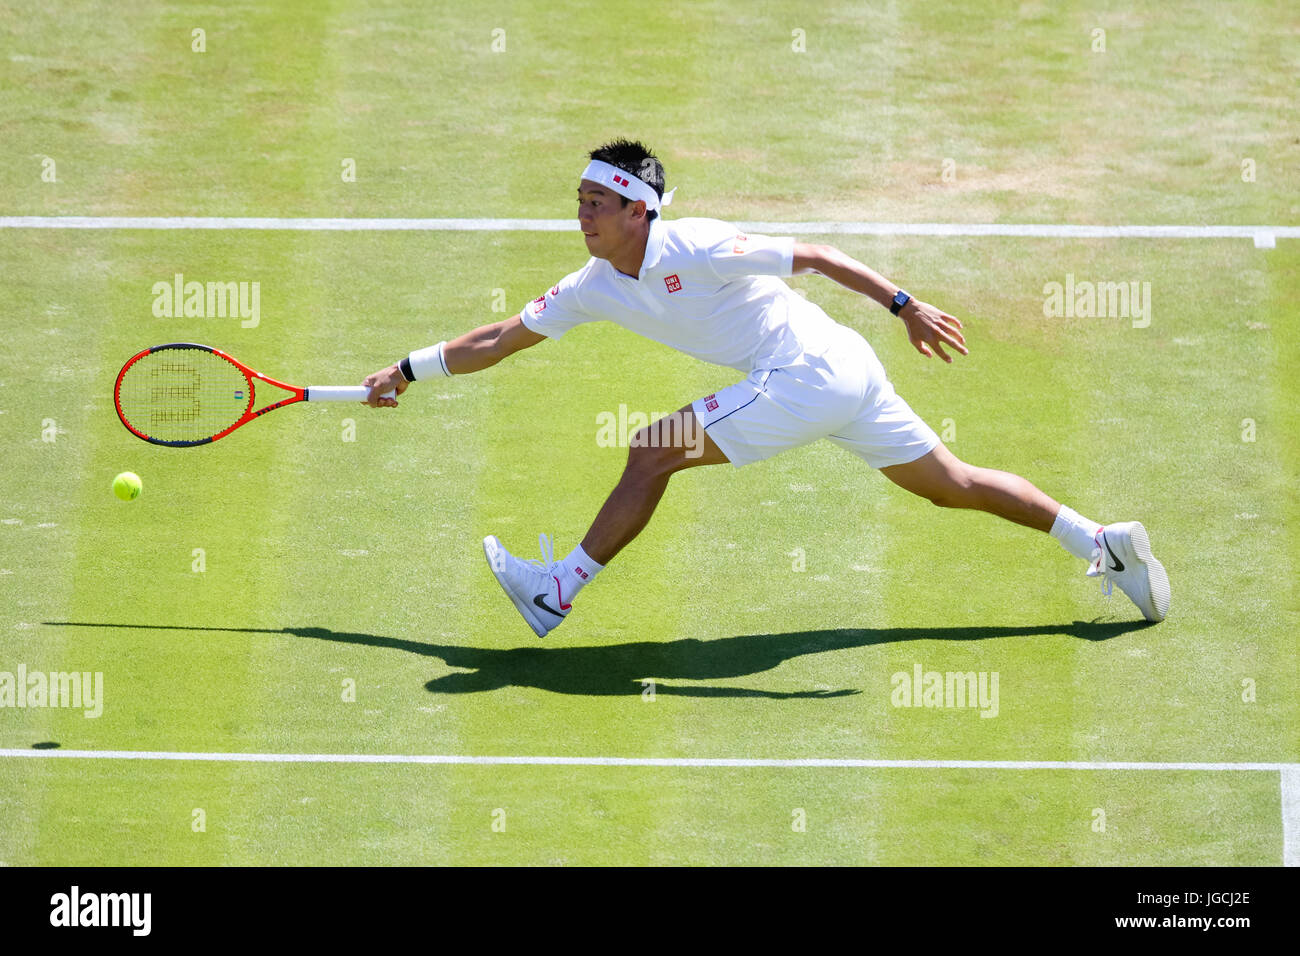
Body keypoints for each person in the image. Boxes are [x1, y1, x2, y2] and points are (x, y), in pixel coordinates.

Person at [362, 139, 1169, 638]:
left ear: (639, 209)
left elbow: (813, 255)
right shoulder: (593, 284)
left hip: (812, 372)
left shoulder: (700, 244)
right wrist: (405, 370)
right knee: (951, 485)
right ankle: (1100, 542)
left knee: (651, 451)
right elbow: (500, 339)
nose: (582, 217)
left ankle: (557, 592)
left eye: (596, 204)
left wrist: (904, 304)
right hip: (838, 374)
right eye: (578, 203)